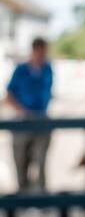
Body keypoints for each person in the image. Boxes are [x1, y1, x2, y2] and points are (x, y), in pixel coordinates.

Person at [6, 37, 53, 192]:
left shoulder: (47, 69)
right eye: (41, 52)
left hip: (42, 118)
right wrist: (22, 110)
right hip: (23, 119)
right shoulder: (21, 70)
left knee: (41, 159)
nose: (43, 55)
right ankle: (23, 193)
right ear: (34, 50)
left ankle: (41, 194)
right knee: (21, 159)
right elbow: (9, 95)